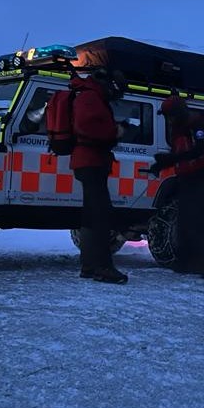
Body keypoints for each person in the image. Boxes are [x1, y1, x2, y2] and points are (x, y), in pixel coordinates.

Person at [70, 68, 128, 285]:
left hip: (89, 161)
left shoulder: (88, 95)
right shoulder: (90, 97)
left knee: (92, 215)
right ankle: (103, 267)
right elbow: (87, 126)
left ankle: (90, 266)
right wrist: (115, 132)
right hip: (91, 161)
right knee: (100, 215)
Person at [151, 96, 204, 279]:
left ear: (178, 113)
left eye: (170, 115)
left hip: (201, 176)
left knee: (197, 220)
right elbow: (178, 153)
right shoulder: (177, 128)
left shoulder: (196, 125)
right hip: (186, 176)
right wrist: (161, 165)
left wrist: (171, 160)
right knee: (185, 220)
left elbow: (198, 150)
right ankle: (186, 262)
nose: (168, 119)